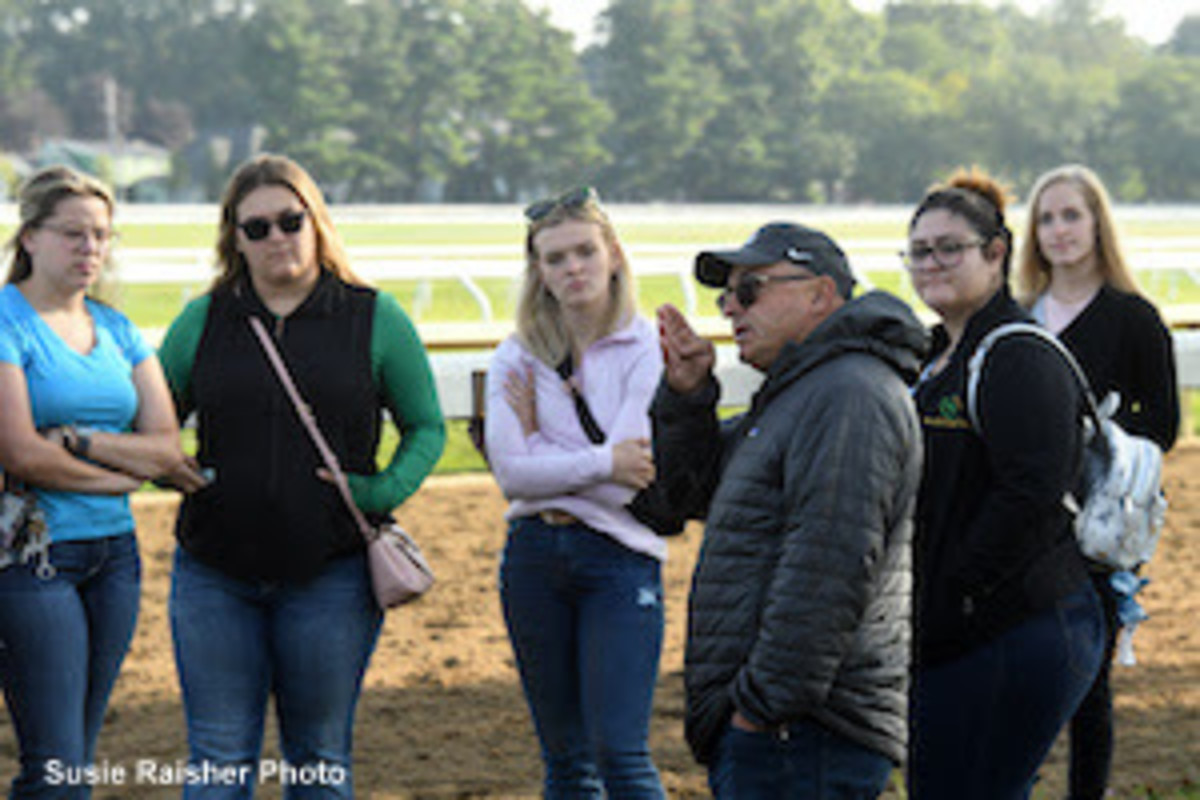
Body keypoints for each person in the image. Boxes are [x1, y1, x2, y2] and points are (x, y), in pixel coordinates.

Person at [157, 153, 445, 798]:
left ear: (317, 222)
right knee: (218, 761)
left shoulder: (376, 318)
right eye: (255, 227)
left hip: (332, 575)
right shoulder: (201, 321)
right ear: (234, 237)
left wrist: (380, 492)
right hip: (213, 574)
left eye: (290, 220)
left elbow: (427, 428)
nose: (276, 238)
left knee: (318, 760)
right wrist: (169, 471)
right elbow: (151, 422)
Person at [652, 221, 927, 799]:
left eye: (749, 290)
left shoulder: (848, 394)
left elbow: (829, 567)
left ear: (820, 295)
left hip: (803, 732)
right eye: (726, 294)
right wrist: (687, 397)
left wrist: (761, 708)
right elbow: (682, 497)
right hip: (786, 731)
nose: (730, 309)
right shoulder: (799, 392)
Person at [0, 165, 202, 796]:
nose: (90, 248)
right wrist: (117, 478)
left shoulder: (116, 329)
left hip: (116, 557)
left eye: (101, 236)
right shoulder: (7, 323)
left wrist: (81, 443)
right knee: (57, 772)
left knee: (73, 764)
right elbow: (21, 452)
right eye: (73, 234)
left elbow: (168, 449)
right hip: (34, 560)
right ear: (29, 237)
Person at [905, 169, 1107, 798]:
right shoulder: (935, 355)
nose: (931, 264)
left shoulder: (1019, 355)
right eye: (919, 251)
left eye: (949, 249)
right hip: (963, 627)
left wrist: (954, 591)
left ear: (996, 254)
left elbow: (1032, 492)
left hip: (1017, 624)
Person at [484, 187, 667, 798]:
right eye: (555, 258)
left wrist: (540, 444)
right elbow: (512, 475)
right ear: (538, 270)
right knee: (565, 763)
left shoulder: (648, 349)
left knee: (620, 755)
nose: (573, 269)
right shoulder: (517, 354)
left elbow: (631, 480)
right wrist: (597, 463)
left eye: (584, 251)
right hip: (532, 558)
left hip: (619, 560)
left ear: (613, 253)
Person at [1017, 163, 1180, 800]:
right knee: (1019, 679)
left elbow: (1164, 426)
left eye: (1071, 215)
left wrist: (1097, 427)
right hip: (1021, 521)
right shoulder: (1019, 314)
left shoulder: (1135, 318)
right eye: (1046, 218)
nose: (1059, 230)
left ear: (1097, 224)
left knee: (1088, 688)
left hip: (1098, 532)